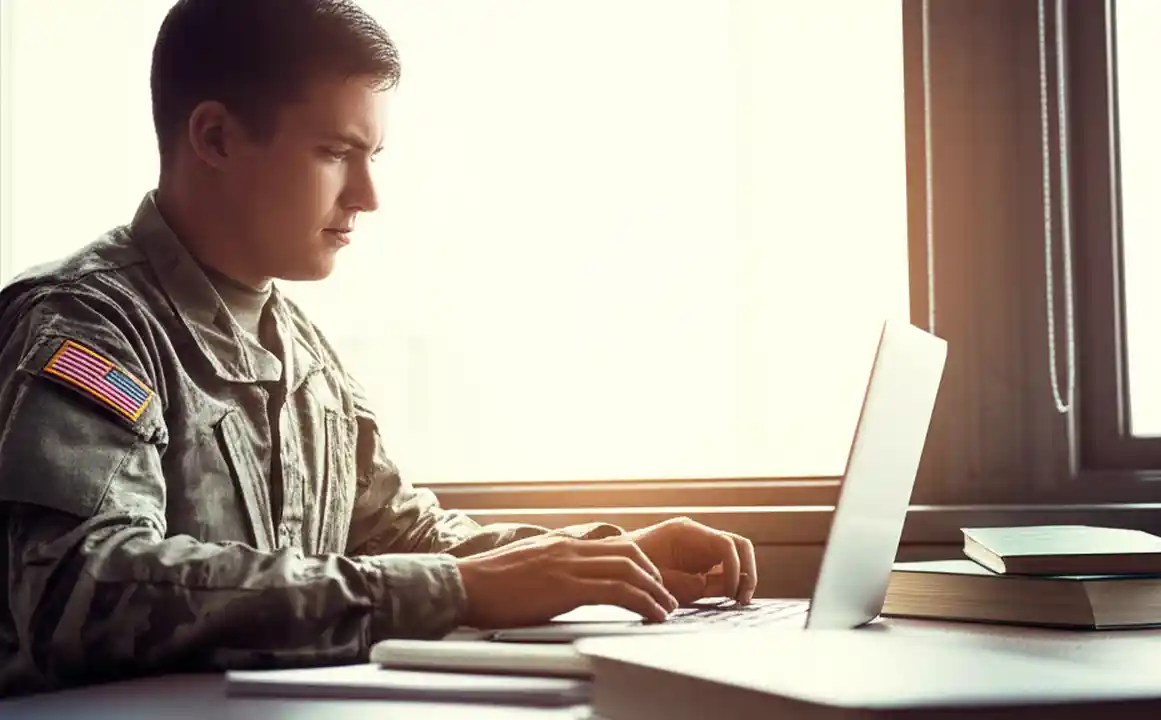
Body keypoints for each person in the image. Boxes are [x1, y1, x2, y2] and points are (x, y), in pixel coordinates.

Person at [0, 0, 756, 696]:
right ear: (216, 137)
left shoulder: (304, 353)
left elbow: (406, 537)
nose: (367, 194)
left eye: (373, 156)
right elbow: (81, 589)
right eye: (336, 151)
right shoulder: (85, 324)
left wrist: (601, 559)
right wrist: (453, 591)